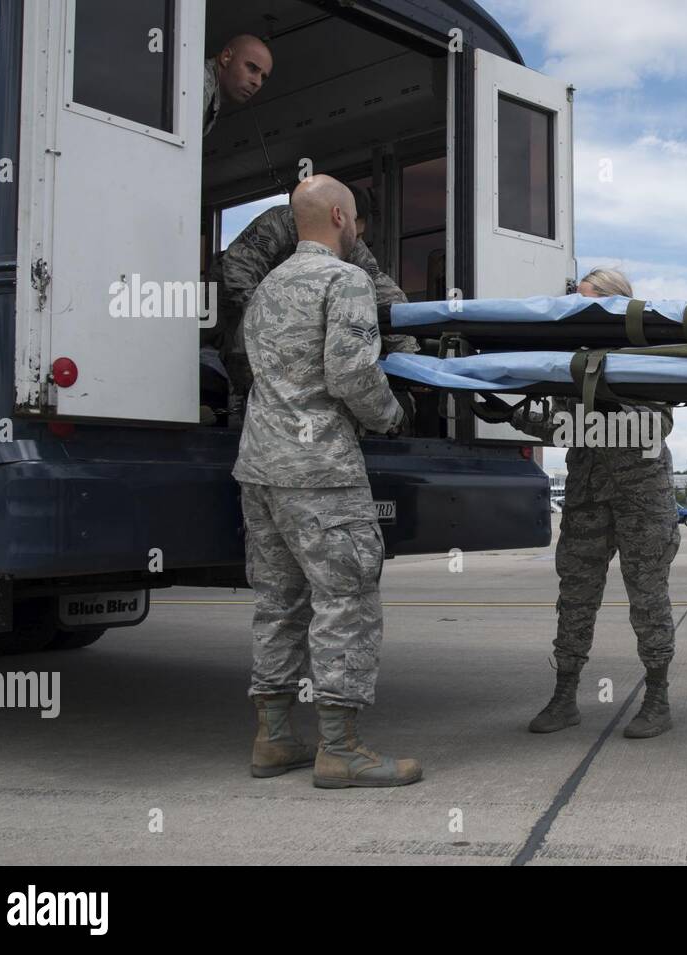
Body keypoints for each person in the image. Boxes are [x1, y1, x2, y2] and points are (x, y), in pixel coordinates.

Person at [233, 174, 420, 789]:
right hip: (320, 472)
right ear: (341, 217)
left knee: (278, 603)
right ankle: (339, 749)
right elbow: (351, 374)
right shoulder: (347, 280)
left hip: (260, 465)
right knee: (346, 597)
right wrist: (393, 417)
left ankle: (275, 738)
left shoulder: (265, 288)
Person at [512, 268, 681, 739]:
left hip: (641, 498)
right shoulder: (571, 362)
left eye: (587, 302)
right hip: (588, 496)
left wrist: (604, 405)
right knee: (575, 597)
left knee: (648, 599)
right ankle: (565, 697)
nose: (577, 311)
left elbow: (657, 425)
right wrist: (525, 419)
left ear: (614, 304)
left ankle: (658, 697)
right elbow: (558, 426)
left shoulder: (649, 358)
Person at [210, 182, 416, 398]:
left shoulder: (352, 243)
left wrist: (407, 354)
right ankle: (240, 404)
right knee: (243, 355)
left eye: (359, 234)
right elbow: (238, 267)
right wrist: (268, 318)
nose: (356, 240)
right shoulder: (277, 224)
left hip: (286, 307)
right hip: (238, 298)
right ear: (339, 217)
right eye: (355, 231)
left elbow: (382, 289)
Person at [203, 35, 273, 135]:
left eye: (263, 78)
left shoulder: (211, 89)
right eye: (252, 68)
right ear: (226, 57)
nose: (257, 82)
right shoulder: (200, 83)